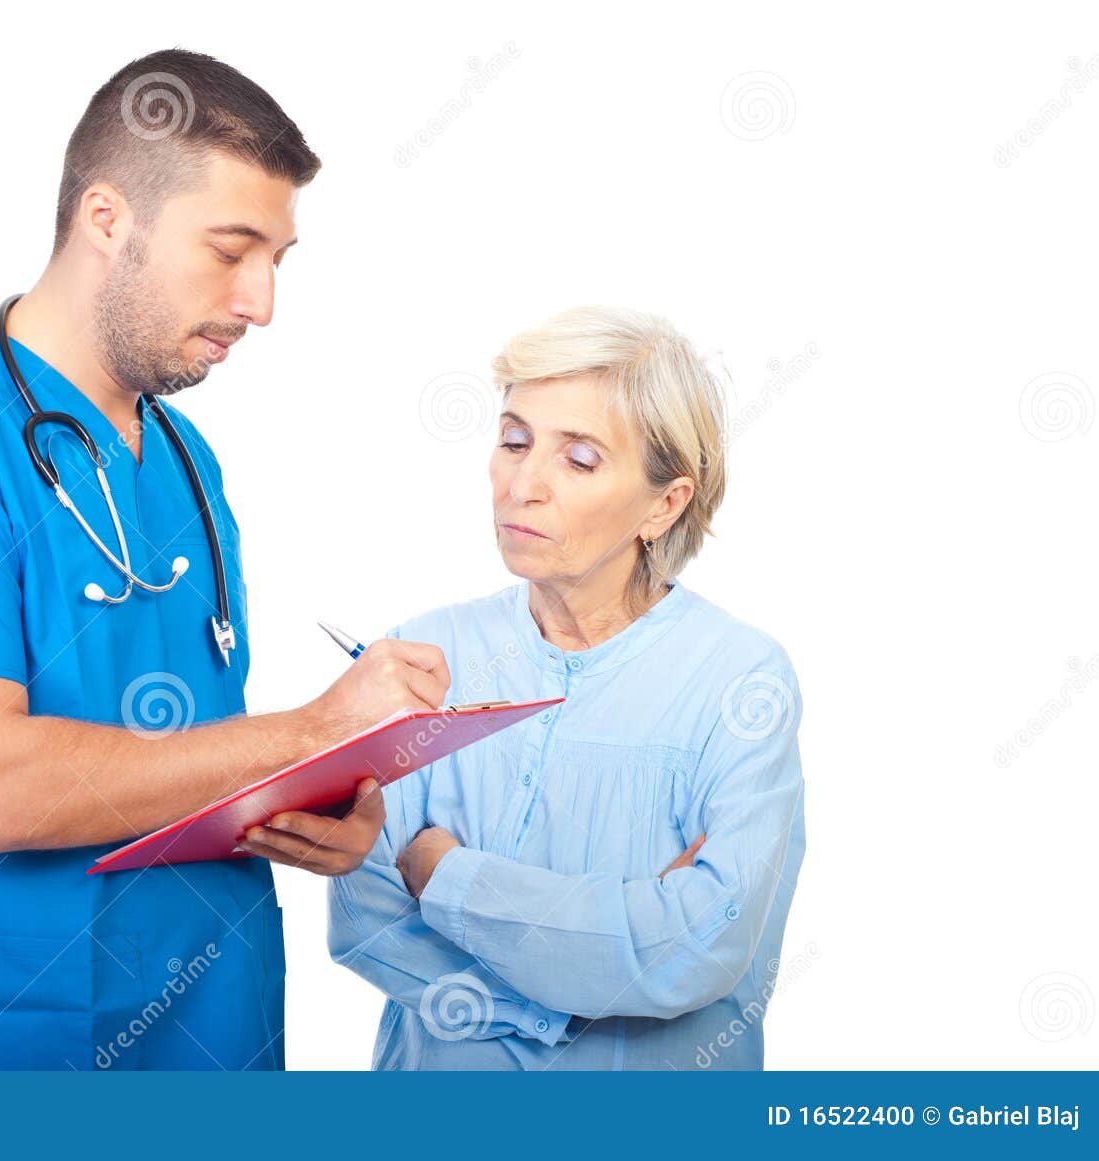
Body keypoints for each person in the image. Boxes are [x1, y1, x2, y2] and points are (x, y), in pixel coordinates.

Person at [0, 49, 449, 1070]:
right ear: (107, 219)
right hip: (14, 1030)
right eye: (231, 249)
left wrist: (318, 798)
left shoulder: (186, 459)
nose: (262, 302)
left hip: (217, 1015)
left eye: (279, 260)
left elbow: (181, 749)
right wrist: (312, 730)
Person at [328, 306, 806, 1070]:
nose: (523, 484)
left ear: (665, 503)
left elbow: (700, 944)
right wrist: (586, 972)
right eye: (514, 441)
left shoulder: (738, 678)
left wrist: (444, 874)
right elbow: (366, 918)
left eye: (579, 459)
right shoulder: (426, 652)